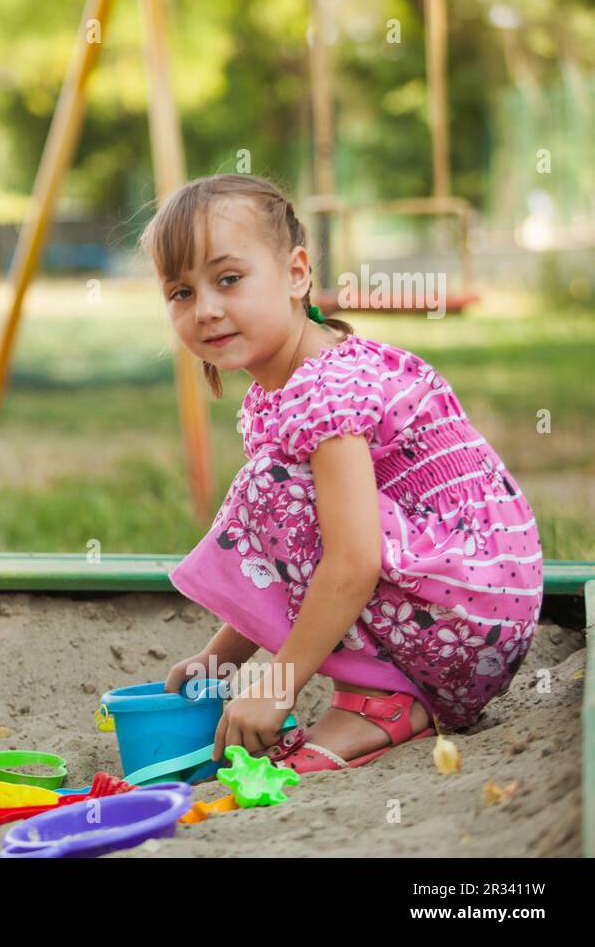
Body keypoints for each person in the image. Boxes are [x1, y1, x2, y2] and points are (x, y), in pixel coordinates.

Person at [143, 174, 542, 773]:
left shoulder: (327, 389)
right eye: (180, 292)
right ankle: (387, 690)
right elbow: (296, 549)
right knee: (274, 493)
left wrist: (277, 685)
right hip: (471, 623)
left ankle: (380, 702)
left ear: (297, 273)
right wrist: (219, 659)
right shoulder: (298, 387)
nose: (207, 309)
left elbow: (353, 559)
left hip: (467, 622)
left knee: (268, 492)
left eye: (229, 279)